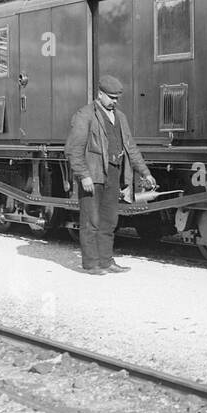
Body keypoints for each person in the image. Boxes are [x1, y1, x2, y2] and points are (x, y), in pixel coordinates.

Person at [65, 74, 156, 275]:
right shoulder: (85, 115)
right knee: (91, 220)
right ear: (100, 94)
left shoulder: (120, 117)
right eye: (111, 97)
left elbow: (131, 147)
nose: (115, 101)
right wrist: (83, 175)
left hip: (113, 173)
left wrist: (145, 172)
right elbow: (73, 148)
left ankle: (106, 261)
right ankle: (91, 264)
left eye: (117, 98)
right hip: (93, 175)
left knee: (109, 220)